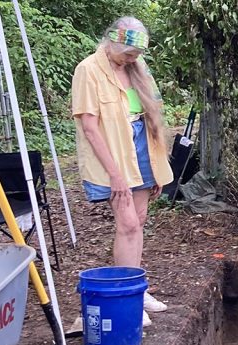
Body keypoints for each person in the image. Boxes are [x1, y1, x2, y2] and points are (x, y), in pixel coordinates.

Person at [71, 16, 173, 326]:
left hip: (142, 151)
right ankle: (128, 295)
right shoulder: (88, 70)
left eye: (137, 54)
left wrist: (157, 168)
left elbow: (151, 118)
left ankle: (137, 291)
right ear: (112, 42)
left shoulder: (137, 70)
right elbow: (90, 128)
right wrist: (115, 175)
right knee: (127, 223)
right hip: (113, 155)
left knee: (138, 222)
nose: (133, 60)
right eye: (128, 53)